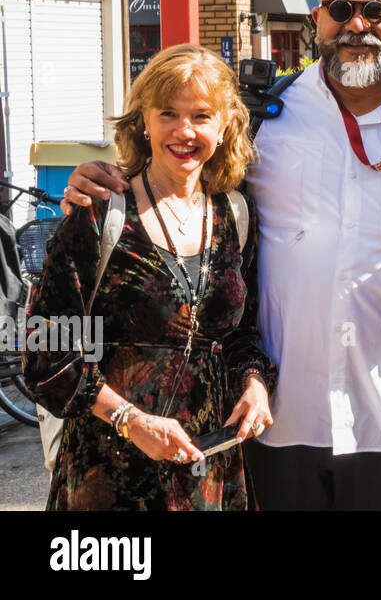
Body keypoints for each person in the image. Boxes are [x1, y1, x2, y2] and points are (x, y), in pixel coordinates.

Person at [62, 0, 381, 510]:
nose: (356, 24)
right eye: (341, 8)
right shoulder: (264, 117)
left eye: (375, 9)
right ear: (316, 18)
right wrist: (103, 180)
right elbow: (176, 175)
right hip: (272, 413)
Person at [26, 44, 275, 510]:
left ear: (223, 127)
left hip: (208, 473)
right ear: (143, 120)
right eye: (168, 114)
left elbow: (242, 335)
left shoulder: (235, 213)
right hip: (110, 473)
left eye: (202, 115)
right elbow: (44, 351)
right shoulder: (100, 213)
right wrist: (131, 420)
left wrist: (255, 384)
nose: (185, 131)